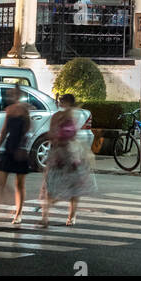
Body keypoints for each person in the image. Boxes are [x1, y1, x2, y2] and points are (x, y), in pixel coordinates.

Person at [39, 95, 97, 227]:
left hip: (70, 154)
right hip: (59, 154)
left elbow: (70, 135)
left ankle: (71, 216)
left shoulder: (73, 116)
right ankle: (45, 217)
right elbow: (52, 134)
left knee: (74, 187)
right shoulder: (58, 116)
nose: (61, 104)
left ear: (67, 103)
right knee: (52, 186)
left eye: (63, 102)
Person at [0, 84, 32, 224]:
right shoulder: (8, 110)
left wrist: (22, 147)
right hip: (9, 147)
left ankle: (18, 213)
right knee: (1, 181)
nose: (11, 97)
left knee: (19, 183)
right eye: (10, 95)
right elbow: (4, 131)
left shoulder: (24, 110)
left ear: (18, 95)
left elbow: (28, 129)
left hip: (20, 148)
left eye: (13, 94)